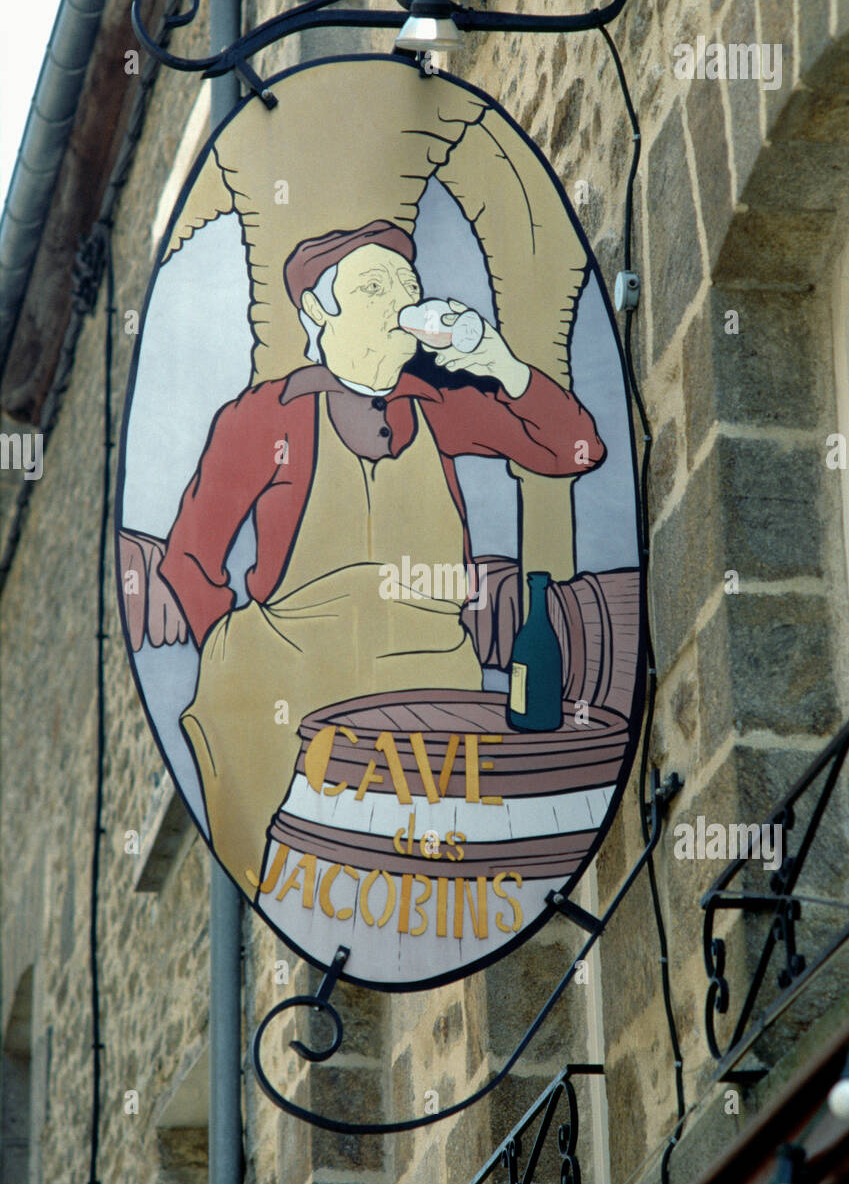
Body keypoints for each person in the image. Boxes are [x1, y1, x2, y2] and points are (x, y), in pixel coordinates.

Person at [122, 220, 606, 893]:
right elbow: (190, 555)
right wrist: (238, 649)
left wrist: (501, 363)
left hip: (429, 685)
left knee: (428, 886)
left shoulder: (439, 408)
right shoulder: (267, 415)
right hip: (288, 681)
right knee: (291, 876)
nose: (398, 302)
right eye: (374, 287)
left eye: (407, 287)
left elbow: (576, 451)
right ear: (320, 310)